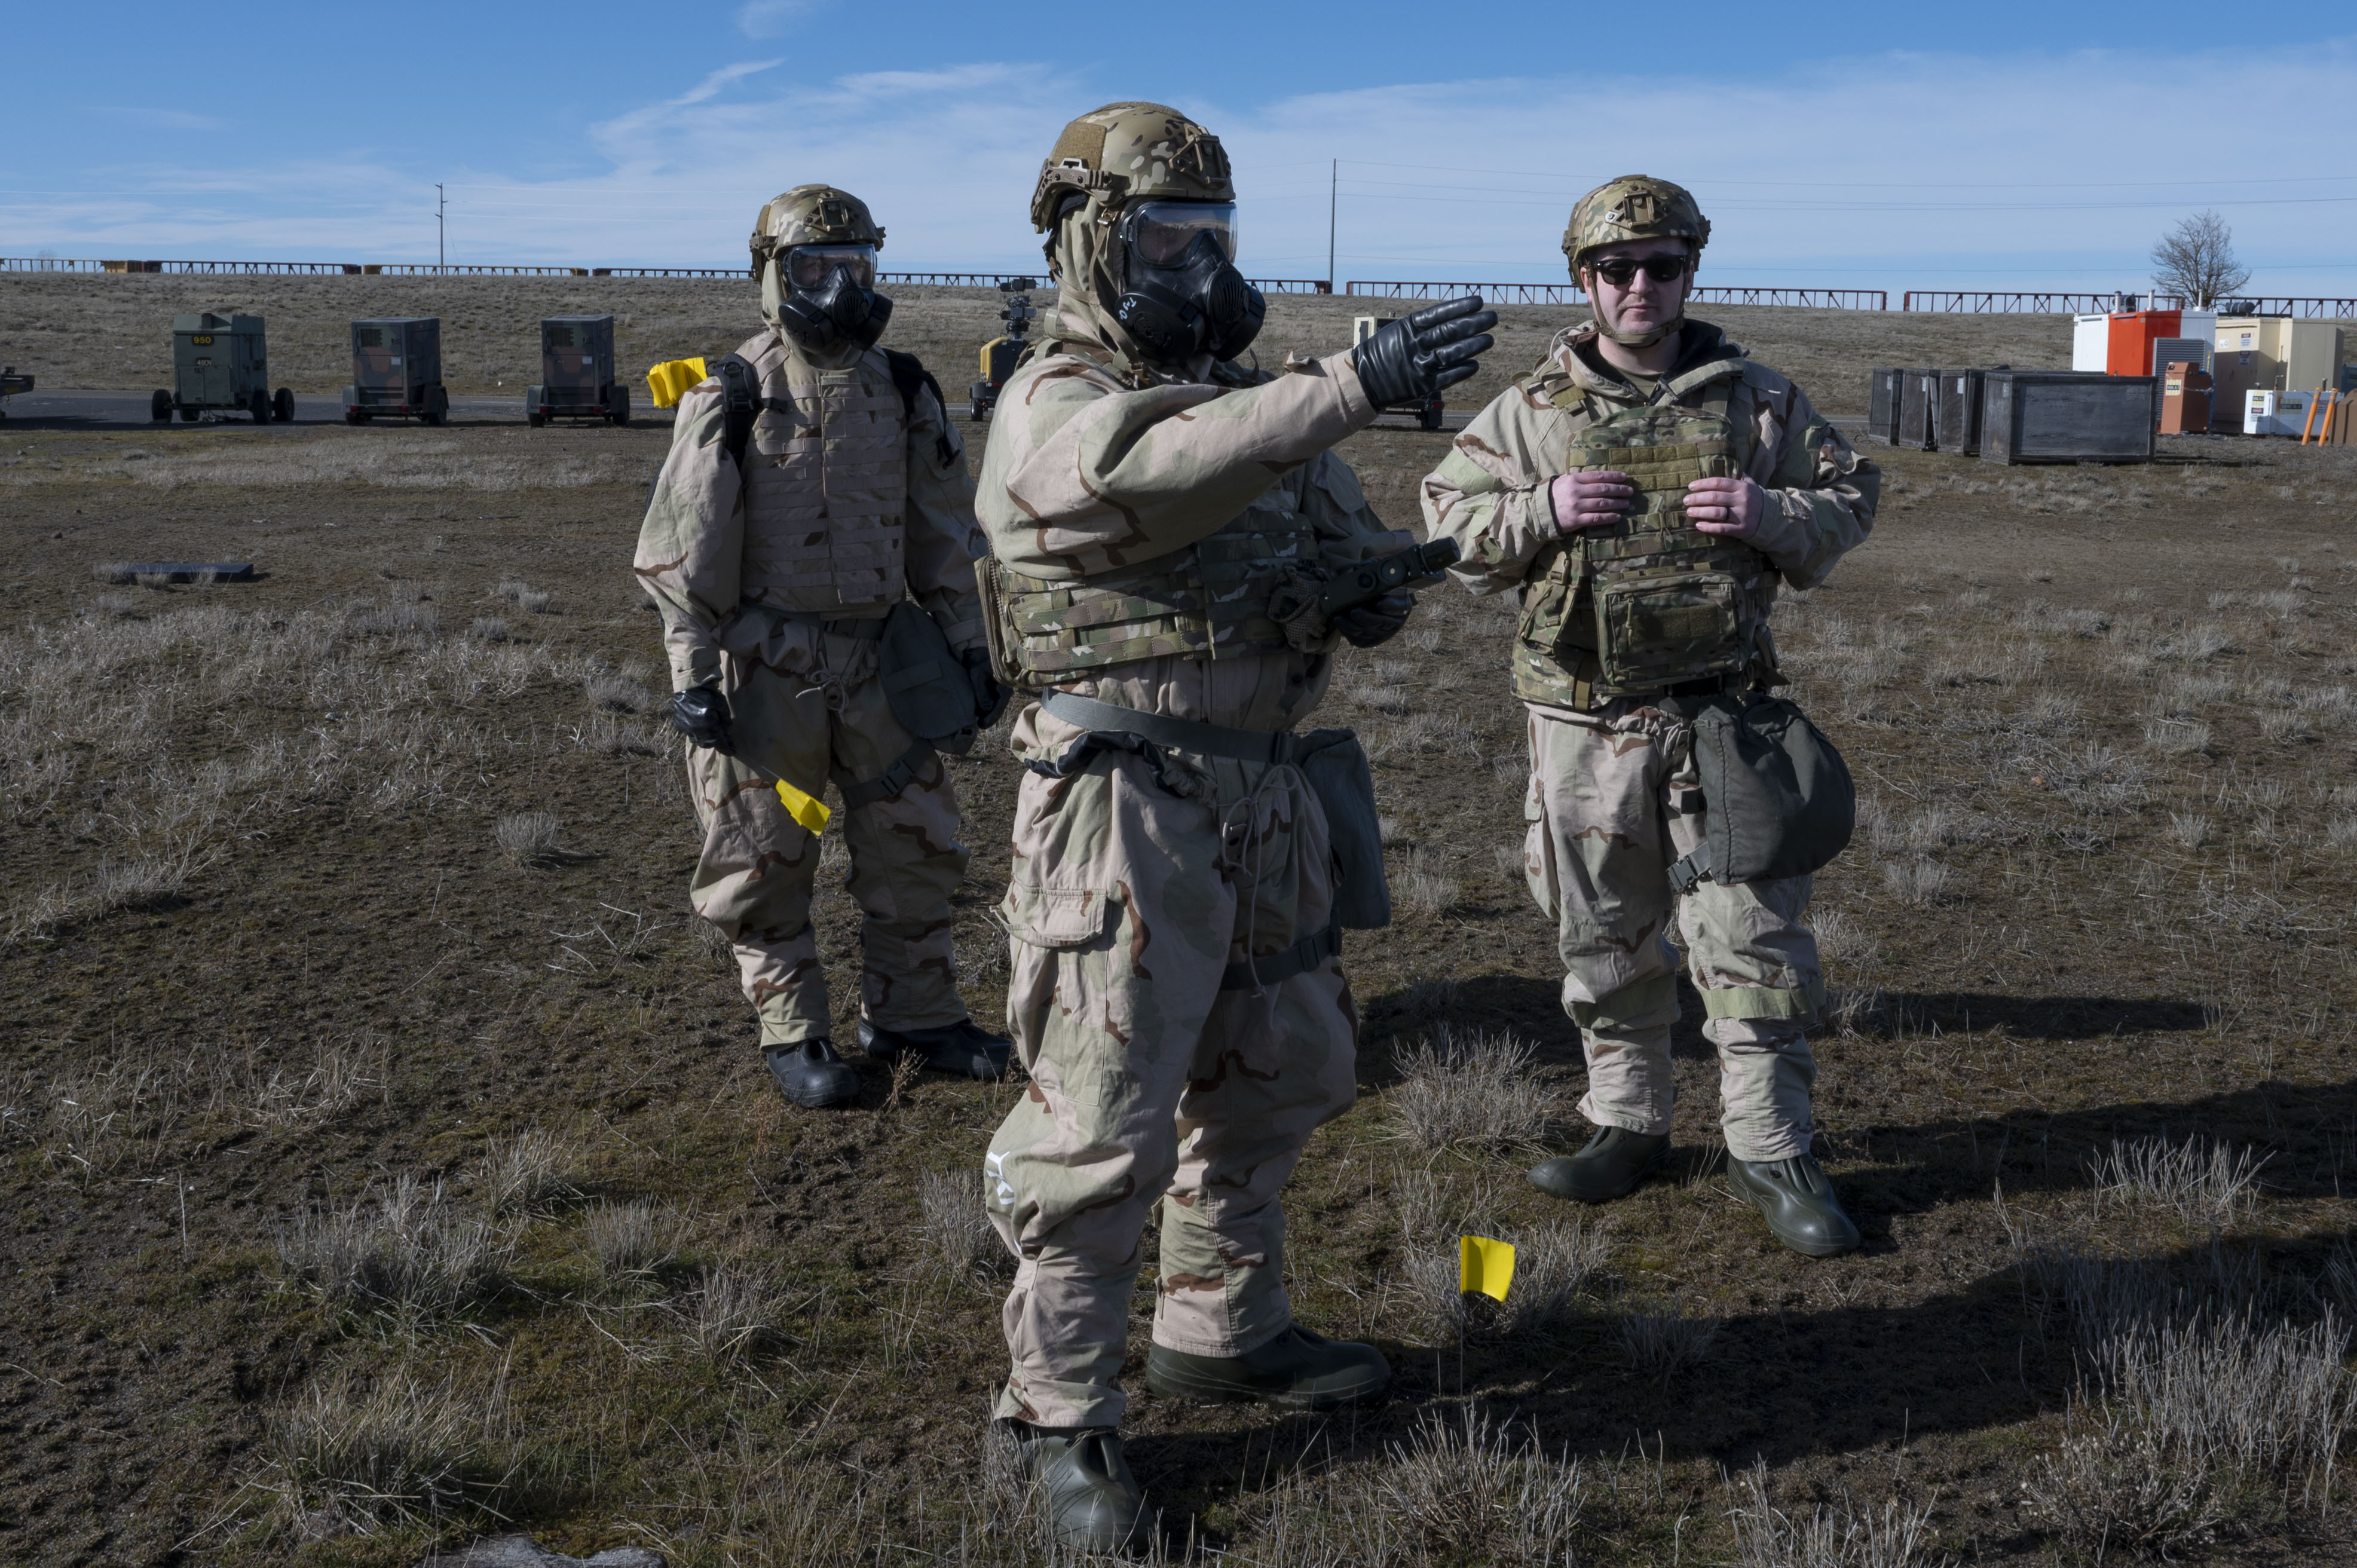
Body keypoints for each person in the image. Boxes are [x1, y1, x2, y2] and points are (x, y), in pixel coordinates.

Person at [971, 103, 1494, 1551]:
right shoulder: (1051, 393)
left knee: (1289, 1066)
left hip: (1267, 794)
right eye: (1164, 238)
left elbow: (1313, 529)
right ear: (1088, 240)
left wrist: (1371, 582)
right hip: (1123, 803)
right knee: (1101, 1120)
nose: (1199, 268)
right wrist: (1350, 383)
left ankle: (1220, 1321)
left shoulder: (1255, 404)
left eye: (1218, 239)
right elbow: (1136, 476)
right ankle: (1058, 1417)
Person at [1420, 175, 1878, 1259]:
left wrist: (1774, 514)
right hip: (1581, 723)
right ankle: (1627, 1126)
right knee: (1604, 935)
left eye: (1662, 266)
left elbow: (1854, 494)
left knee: (1755, 939)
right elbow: (1447, 520)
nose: (1639, 286)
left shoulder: (1757, 401)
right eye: (1616, 269)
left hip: (1724, 718)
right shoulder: (1529, 413)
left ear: (1690, 274)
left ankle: (1771, 1148)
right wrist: (1543, 509)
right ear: (1582, 280)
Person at [633, 183, 1011, 1110]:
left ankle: (917, 1015)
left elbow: (946, 536)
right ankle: (795, 1033)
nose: (840, 287)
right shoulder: (733, 393)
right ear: (770, 276)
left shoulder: (905, 389)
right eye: (814, 268)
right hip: (769, 676)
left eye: (856, 267)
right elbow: (684, 551)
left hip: (888, 665)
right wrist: (692, 677)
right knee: (764, 859)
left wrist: (973, 647)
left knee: (916, 846)